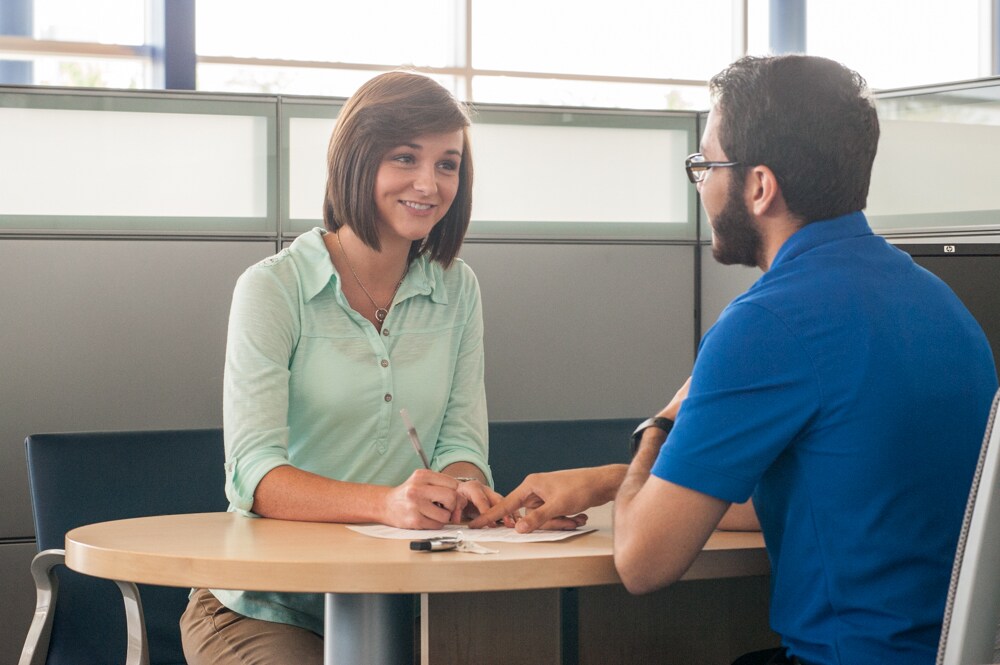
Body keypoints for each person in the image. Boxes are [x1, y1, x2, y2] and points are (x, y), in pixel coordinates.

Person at [473, 54, 999, 665]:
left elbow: (642, 563)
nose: (700, 183)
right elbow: (831, 500)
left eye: (704, 165)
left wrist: (666, 421)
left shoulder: (770, 323)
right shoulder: (941, 304)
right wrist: (606, 482)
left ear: (758, 186)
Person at [180, 71, 500, 665]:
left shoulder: (458, 290)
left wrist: (459, 488)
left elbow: (460, 440)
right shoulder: (274, 289)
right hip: (264, 608)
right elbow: (254, 475)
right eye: (405, 158)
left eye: (448, 164)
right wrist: (386, 503)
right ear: (357, 160)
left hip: (408, 600)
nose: (429, 183)